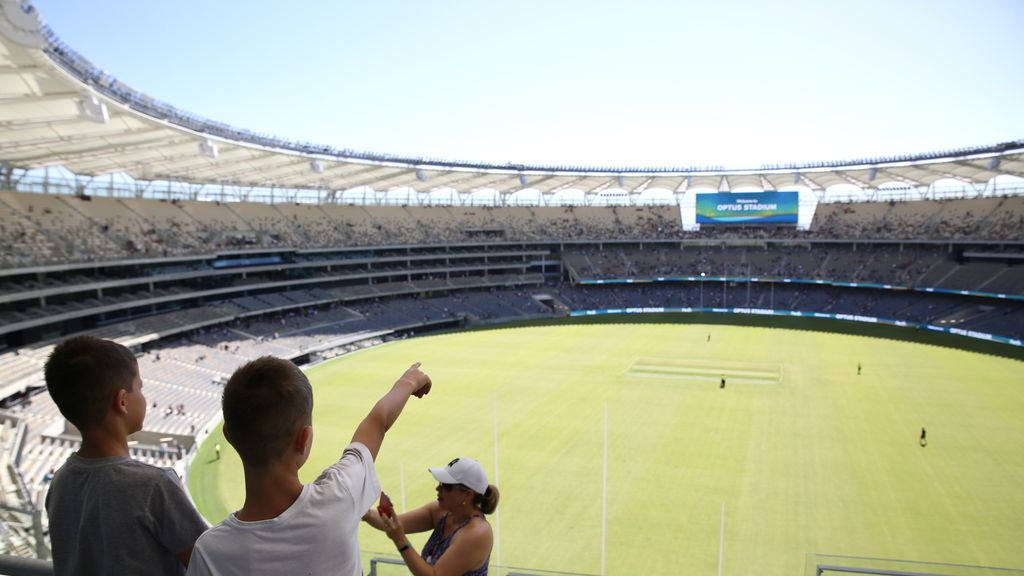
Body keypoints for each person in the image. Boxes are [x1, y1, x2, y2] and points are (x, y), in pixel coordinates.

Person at [187, 357, 432, 576]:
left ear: (229, 436)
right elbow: (378, 422)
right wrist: (408, 381)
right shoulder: (339, 497)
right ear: (304, 439)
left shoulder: (209, 551)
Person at [43, 335, 208, 576]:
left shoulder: (59, 482)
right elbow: (207, 564)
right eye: (139, 387)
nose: (143, 396)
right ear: (122, 401)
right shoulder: (154, 486)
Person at [369, 457, 499, 576]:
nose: (438, 489)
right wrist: (363, 512)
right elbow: (393, 523)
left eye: (446, 486)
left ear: (468, 495)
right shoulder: (442, 511)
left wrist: (400, 540)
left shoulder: (477, 533)